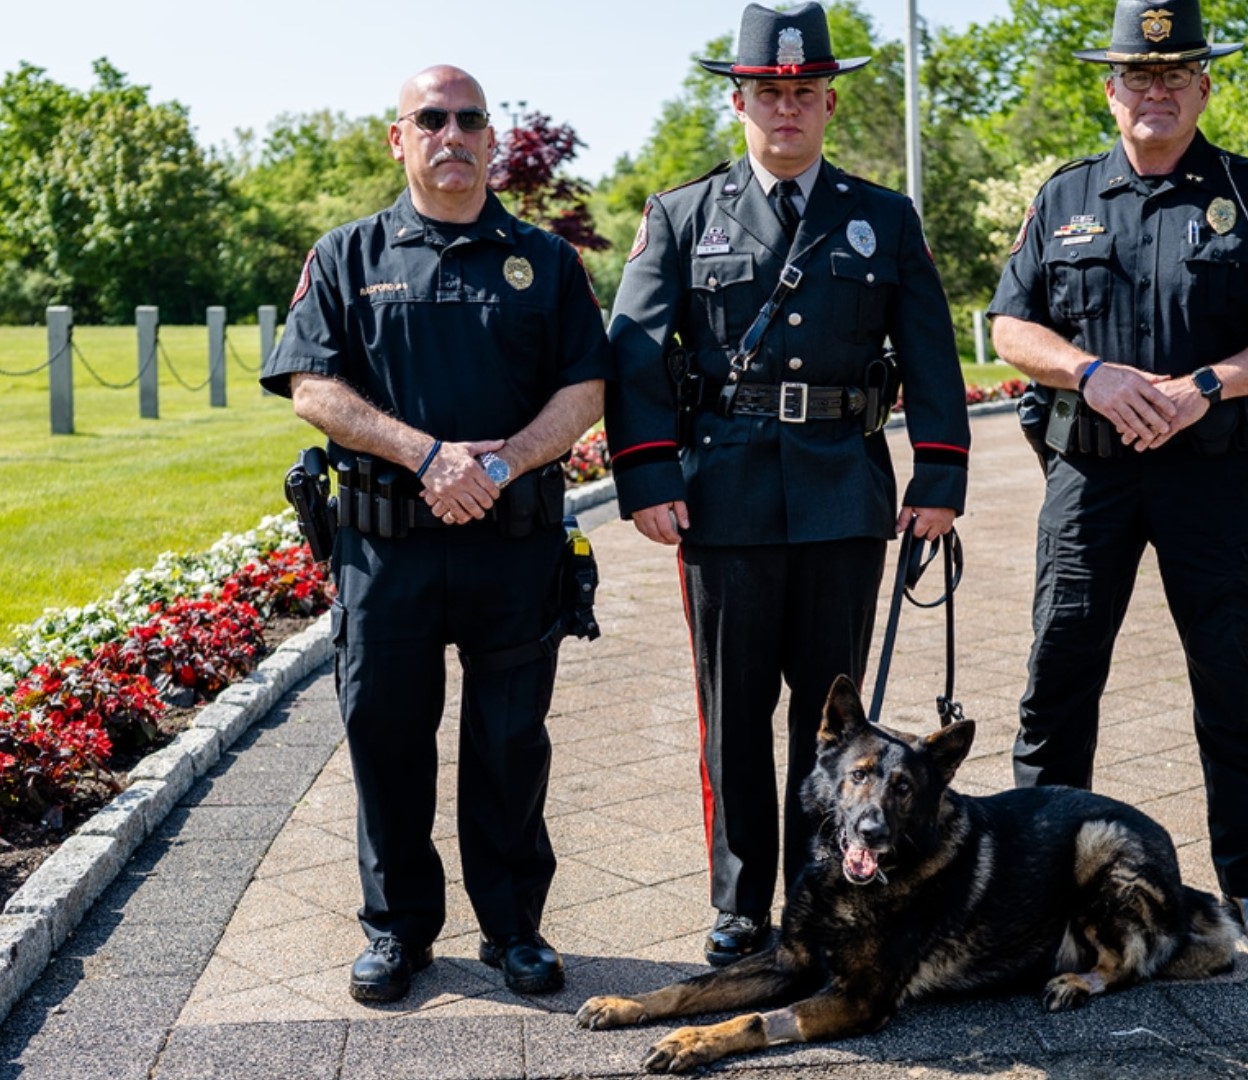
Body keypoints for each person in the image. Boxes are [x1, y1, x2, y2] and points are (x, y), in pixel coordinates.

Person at [604, 2, 971, 967]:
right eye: (769, 92)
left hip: (845, 492)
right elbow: (635, 351)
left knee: (833, 717)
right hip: (723, 495)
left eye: (804, 92)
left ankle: (825, 885)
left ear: (830, 101)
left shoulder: (882, 217)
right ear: (738, 101)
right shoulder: (681, 215)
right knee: (732, 716)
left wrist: (940, 470)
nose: (787, 109)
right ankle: (737, 902)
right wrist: (645, 474)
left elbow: (929, 352)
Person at [987, 0, 1248, 961]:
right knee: (1058, 679)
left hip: (1211, 476)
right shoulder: (1063, 199)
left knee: (1232, 679)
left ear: (1203, 87)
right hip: (1089, 478)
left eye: (1174, 74)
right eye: (1137, 77)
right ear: (1110, 90)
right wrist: (1091, 374)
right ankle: (1034, 888)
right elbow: (1008, 328)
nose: (1155, 90)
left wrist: (1208, 386)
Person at [260, 65, 607, 1001]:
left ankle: (514, 930)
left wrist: (494, 466)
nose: (451, 136)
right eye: (431, 120)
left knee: (508, 745)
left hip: (513, 546)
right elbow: (312, 389)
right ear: (399, 137)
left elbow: (585, 389)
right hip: (386, 551)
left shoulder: (547, 262)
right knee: (387, 741)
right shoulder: (346, 255)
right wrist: (429, 457)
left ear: (491, 140)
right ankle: (397, 932)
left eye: (469, 121)